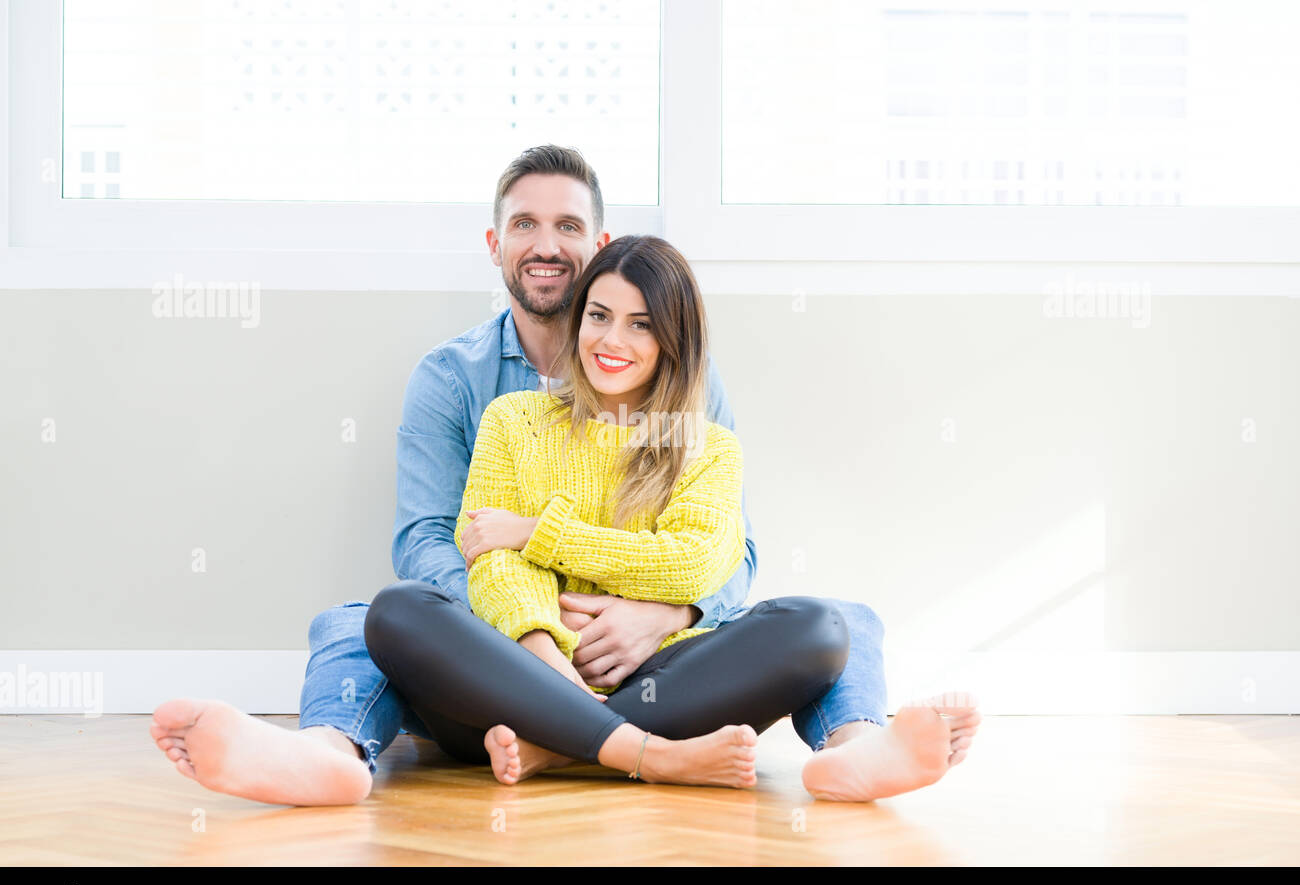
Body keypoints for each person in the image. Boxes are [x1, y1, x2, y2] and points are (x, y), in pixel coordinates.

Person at [150, 144, 979, 805]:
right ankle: (330, 755)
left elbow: (725, 552)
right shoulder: (472, 390)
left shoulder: (697, 410)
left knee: (835, 622)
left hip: (653, 660)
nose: (547, 246)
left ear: (600, 245)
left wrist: (659, 613)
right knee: (372, 615)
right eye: (524, 225)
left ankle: (852, 749)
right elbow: (442, 542)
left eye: (568, 227)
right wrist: (544, 639)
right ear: (497, 244)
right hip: (500, 659)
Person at [363, 235, 851, 787]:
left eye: (641, 324)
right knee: (398, 610)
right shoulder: (512, 420)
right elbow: (491, 562)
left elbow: (692, 563)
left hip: (656, 676)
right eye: (599, 315)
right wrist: (552, 668)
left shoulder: (707, 445)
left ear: (674, 340)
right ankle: (649, 752)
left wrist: (536, 534)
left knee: (819, 627)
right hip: (520, 681)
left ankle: (559, 749)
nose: (611, 339)